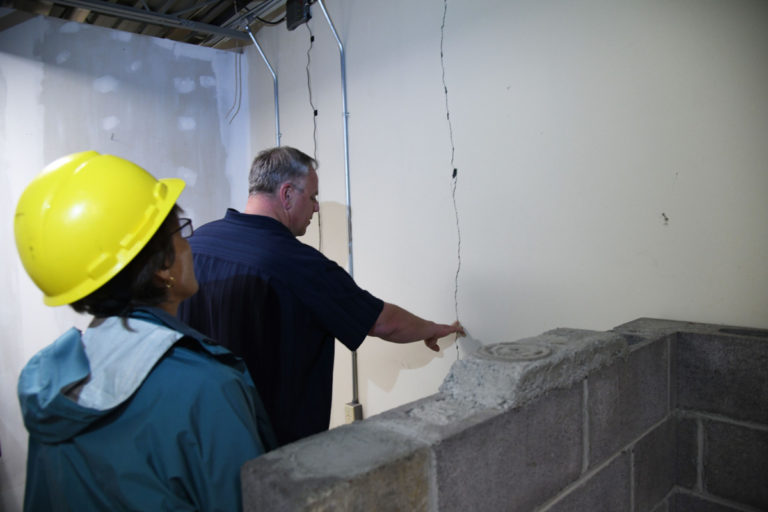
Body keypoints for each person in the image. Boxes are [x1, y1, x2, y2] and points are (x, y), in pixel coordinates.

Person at [14, 151, 276, 511]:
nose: (189, 244)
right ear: (162, 266)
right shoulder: (206, 389)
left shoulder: (49, 385)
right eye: (181, 232)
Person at [178, 146, 464, 447]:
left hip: (198, 440)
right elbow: (382, 322)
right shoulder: (298, 264)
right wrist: (433, 328)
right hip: (269, 450)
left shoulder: (193, 245)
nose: (316, 208)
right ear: (286, 194)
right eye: (312, 197)